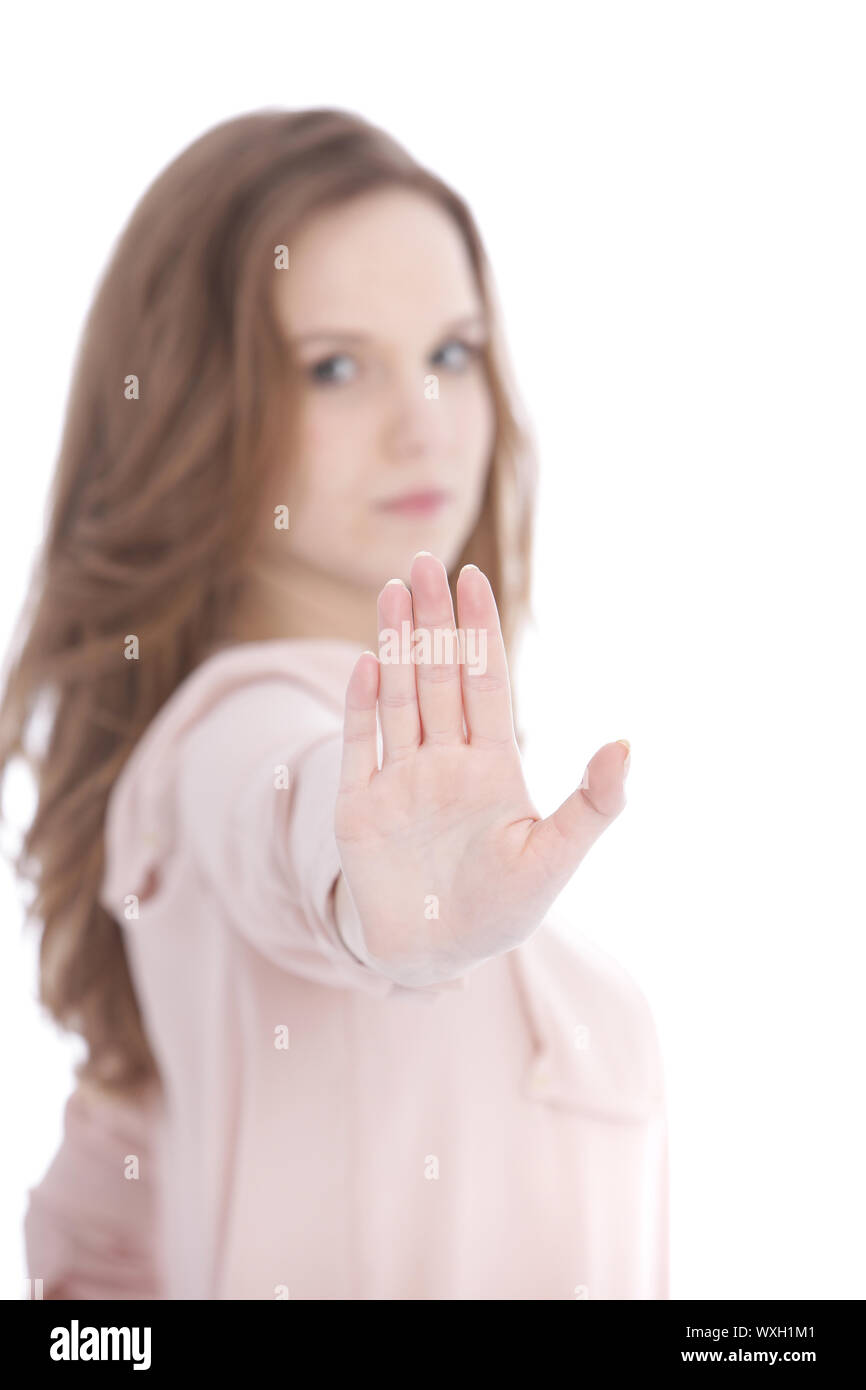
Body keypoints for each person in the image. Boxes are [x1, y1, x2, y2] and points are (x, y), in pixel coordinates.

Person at [1, 108, 668, 1300]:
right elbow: (284, 804)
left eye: (451, 353)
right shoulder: (231, 731)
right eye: (335, 366)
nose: (423, 423)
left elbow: (101, 1259)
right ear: (195, 405)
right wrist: (376, 897)